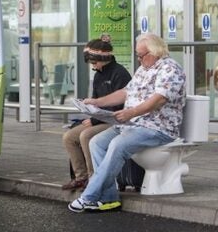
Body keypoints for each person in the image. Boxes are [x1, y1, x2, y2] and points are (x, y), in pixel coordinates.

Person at [68, 32, 185, 213]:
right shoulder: (144, 69)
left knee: (117, 145)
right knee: (96, 143)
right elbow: (125, 93)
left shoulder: (170, 69)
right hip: (133, 125)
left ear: (154, 52)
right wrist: (97, 102)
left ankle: (89, 196)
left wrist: (131, 113)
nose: (138, 60)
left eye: (141, 55)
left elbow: (158, 100)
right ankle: (108, 199)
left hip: (157, 128)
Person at [61, 38, 131, 191]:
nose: (93, 67)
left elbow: (120, 106)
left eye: (94, 63)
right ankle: (81, 177)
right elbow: (95, 101)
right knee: (69, 137)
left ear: (103, 59)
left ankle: (94, 178)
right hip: (100, 118)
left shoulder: (120, 73)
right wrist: (89, 112)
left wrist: (93, 121)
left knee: (86, 136)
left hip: (116, 120)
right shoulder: (98, 74)